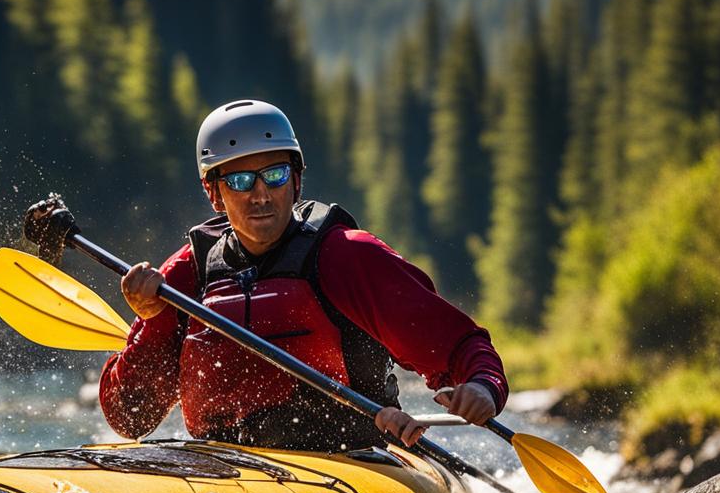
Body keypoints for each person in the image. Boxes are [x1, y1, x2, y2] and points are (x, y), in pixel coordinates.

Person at [98, 98, 508, 451]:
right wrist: (152, 321)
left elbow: (459, 344)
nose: (260, 194)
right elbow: (129, 418)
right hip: (224, 467)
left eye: (274, 175)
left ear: (296, 180)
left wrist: (481, 386)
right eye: (240, 181)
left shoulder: (346, 255)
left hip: (351, 458)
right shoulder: (190, 272)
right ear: (213, 193)